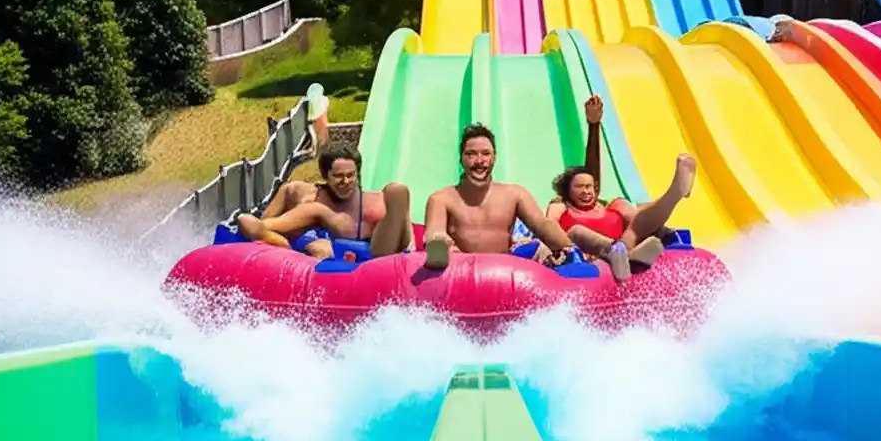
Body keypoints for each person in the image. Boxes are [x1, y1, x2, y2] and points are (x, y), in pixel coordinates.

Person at [546, 94, 696, 281]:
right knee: (576, 231)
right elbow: (549, 223)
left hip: (625, 251)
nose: (586, 191)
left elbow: (637, 222)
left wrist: (659, 230)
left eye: (590, 187)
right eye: (579, 187)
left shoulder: (611, 206)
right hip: (587, 258)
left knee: (634, 213)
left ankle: (675, 193)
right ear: (567, 190)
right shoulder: (563, 206)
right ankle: (616, 253)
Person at [422, 124, 577, 270]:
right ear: (461, 159)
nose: (479, 160)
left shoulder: (514, 194)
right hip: (462, 271)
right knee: (439, 244)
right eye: (471, 154)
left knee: (538, 247)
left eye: (486, 154)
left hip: (504, 271)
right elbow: (435, 233)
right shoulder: (441, 199)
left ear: (494, 158)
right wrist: (441, 244)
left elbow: (542, 225)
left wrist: (571, 251)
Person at [236, 144, 414, 260]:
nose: (345, 181)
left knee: (397, 191)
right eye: (338, 176)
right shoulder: (314, 205)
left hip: (381, 253)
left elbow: (400, 229)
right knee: (321, 248)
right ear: (325, 177)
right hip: (325, 249)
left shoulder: (375, 202)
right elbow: (269, 223)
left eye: (351, 176)